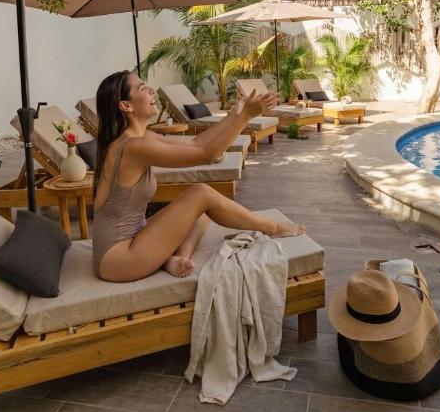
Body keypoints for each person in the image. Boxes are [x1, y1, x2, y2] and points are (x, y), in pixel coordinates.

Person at [91, 70, 305, 283]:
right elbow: (207, 154)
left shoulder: (139, 137)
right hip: (118, 260)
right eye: (142, 88)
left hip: (135, 239)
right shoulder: (133, 146)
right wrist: (246, 117)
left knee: (201, 213)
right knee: (201, 194)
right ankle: (273, 228)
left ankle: (178, 257)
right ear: (126, 105)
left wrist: (234, 116)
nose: (151, 90)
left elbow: (196, 144)